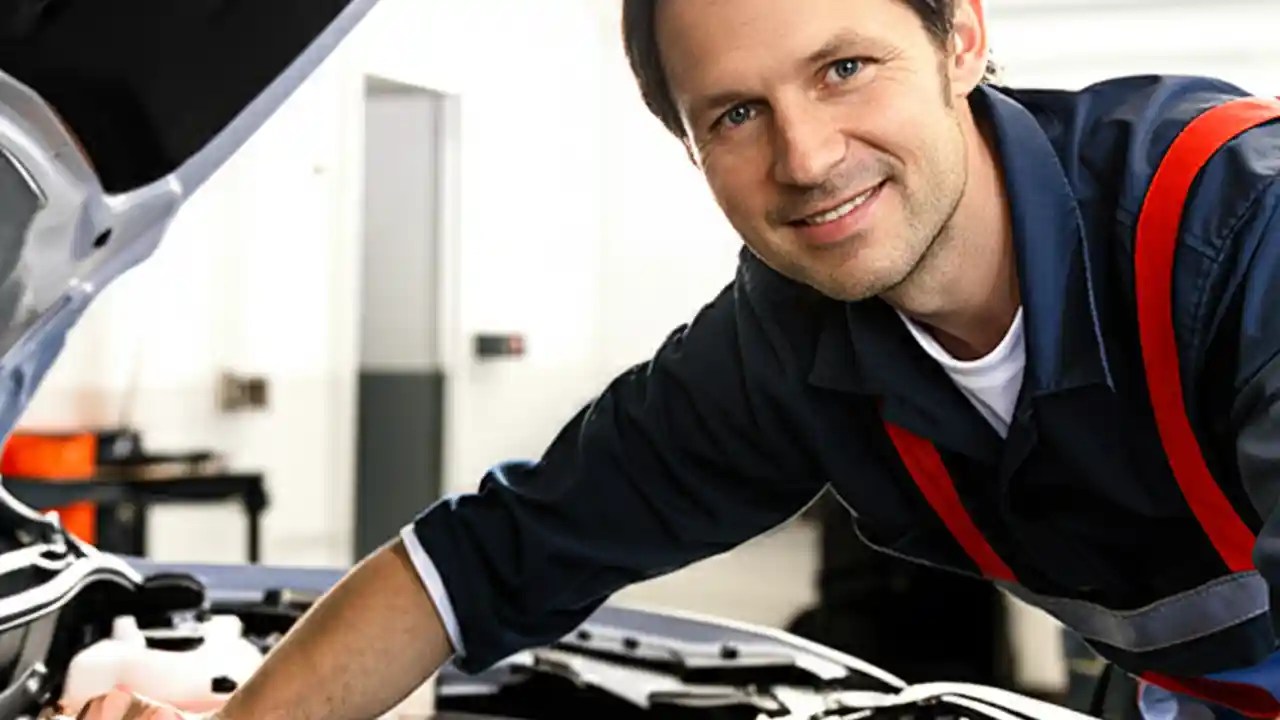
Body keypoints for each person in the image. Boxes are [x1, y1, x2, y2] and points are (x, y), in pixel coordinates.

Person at [80, 0, 1280, 718]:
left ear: (960, 36)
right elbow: (479, 563)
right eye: (735, 114)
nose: (805, 158)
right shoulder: (785, 342)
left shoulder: (1240, 233)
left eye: (842, 68)